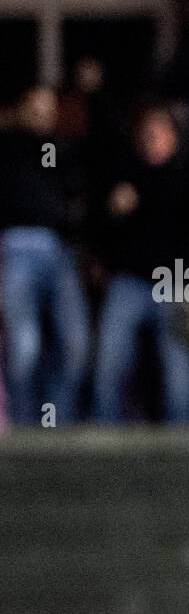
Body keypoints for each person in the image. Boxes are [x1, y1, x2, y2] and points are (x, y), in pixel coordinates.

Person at [92, 105, 189, 423]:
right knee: (108, 365)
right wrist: (113, 214)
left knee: (179, 373)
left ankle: (183, 453)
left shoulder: (186, 178)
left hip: (173, 284)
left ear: (174, 138)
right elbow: (101, 231)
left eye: (160, 132)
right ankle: (104, 443)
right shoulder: (124, 175)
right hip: (129, 282)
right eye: (147, 133)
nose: (153, 139)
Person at [0, 86, 90, 424]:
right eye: (34, 106)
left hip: (58, 251)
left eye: (47, 108)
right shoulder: (7, 146)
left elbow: (74, 191)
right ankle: (22, 428)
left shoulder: (57, 150)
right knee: (24, 346)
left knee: (75, 344)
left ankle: (55, 424)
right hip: (15, 247)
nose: (41, 113)